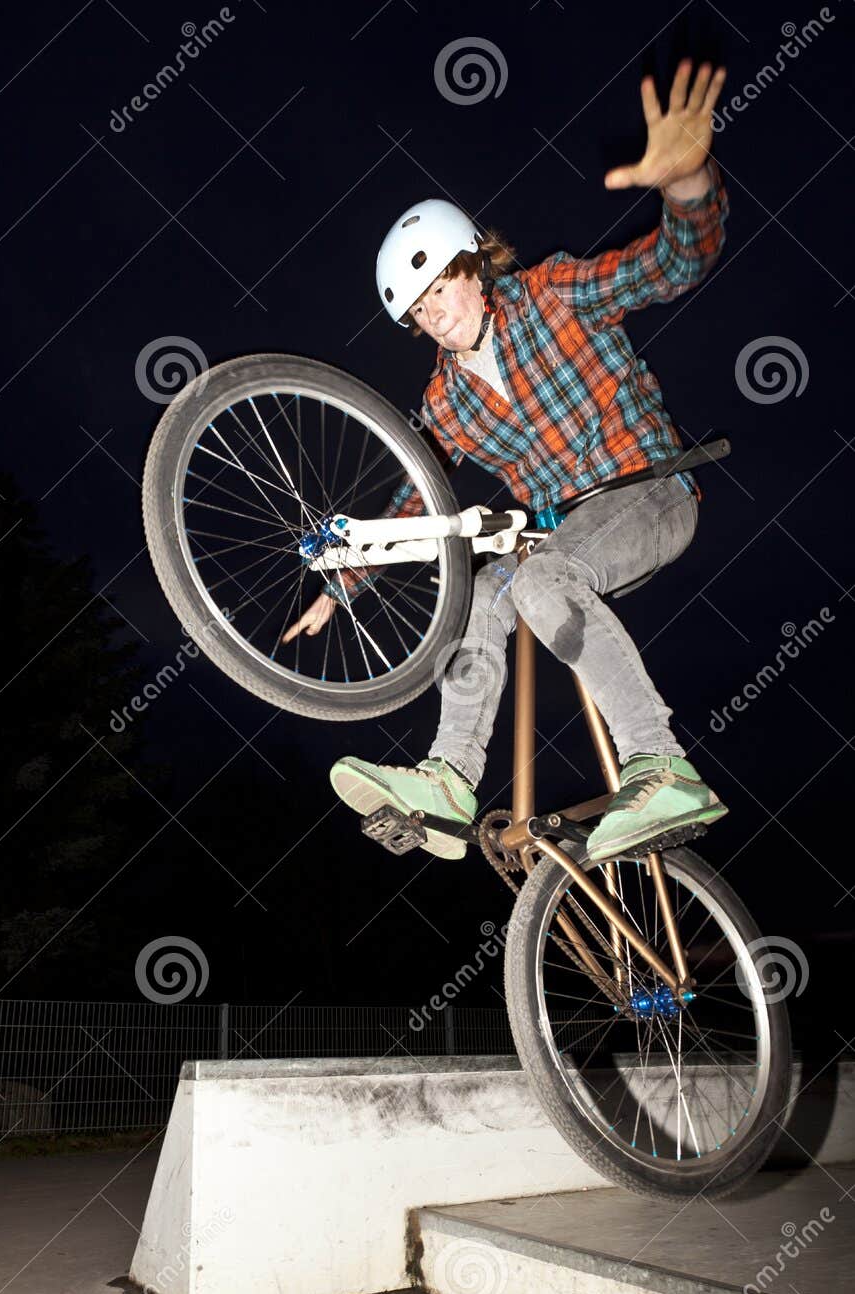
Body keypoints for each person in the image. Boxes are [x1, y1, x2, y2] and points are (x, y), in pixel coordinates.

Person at [284, 58, 730, 864]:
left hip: (652, 493)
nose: (434, 316)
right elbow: (417, 503)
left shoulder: (554, 294)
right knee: (479, 592)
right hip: (563, 541)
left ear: (472, 269)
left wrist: (687, 186)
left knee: (534, 577)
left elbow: (669, 267)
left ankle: (660, 764)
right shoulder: (447, 401)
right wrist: (341, 578)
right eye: (419, 312)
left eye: (440, 293)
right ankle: (449, 783)